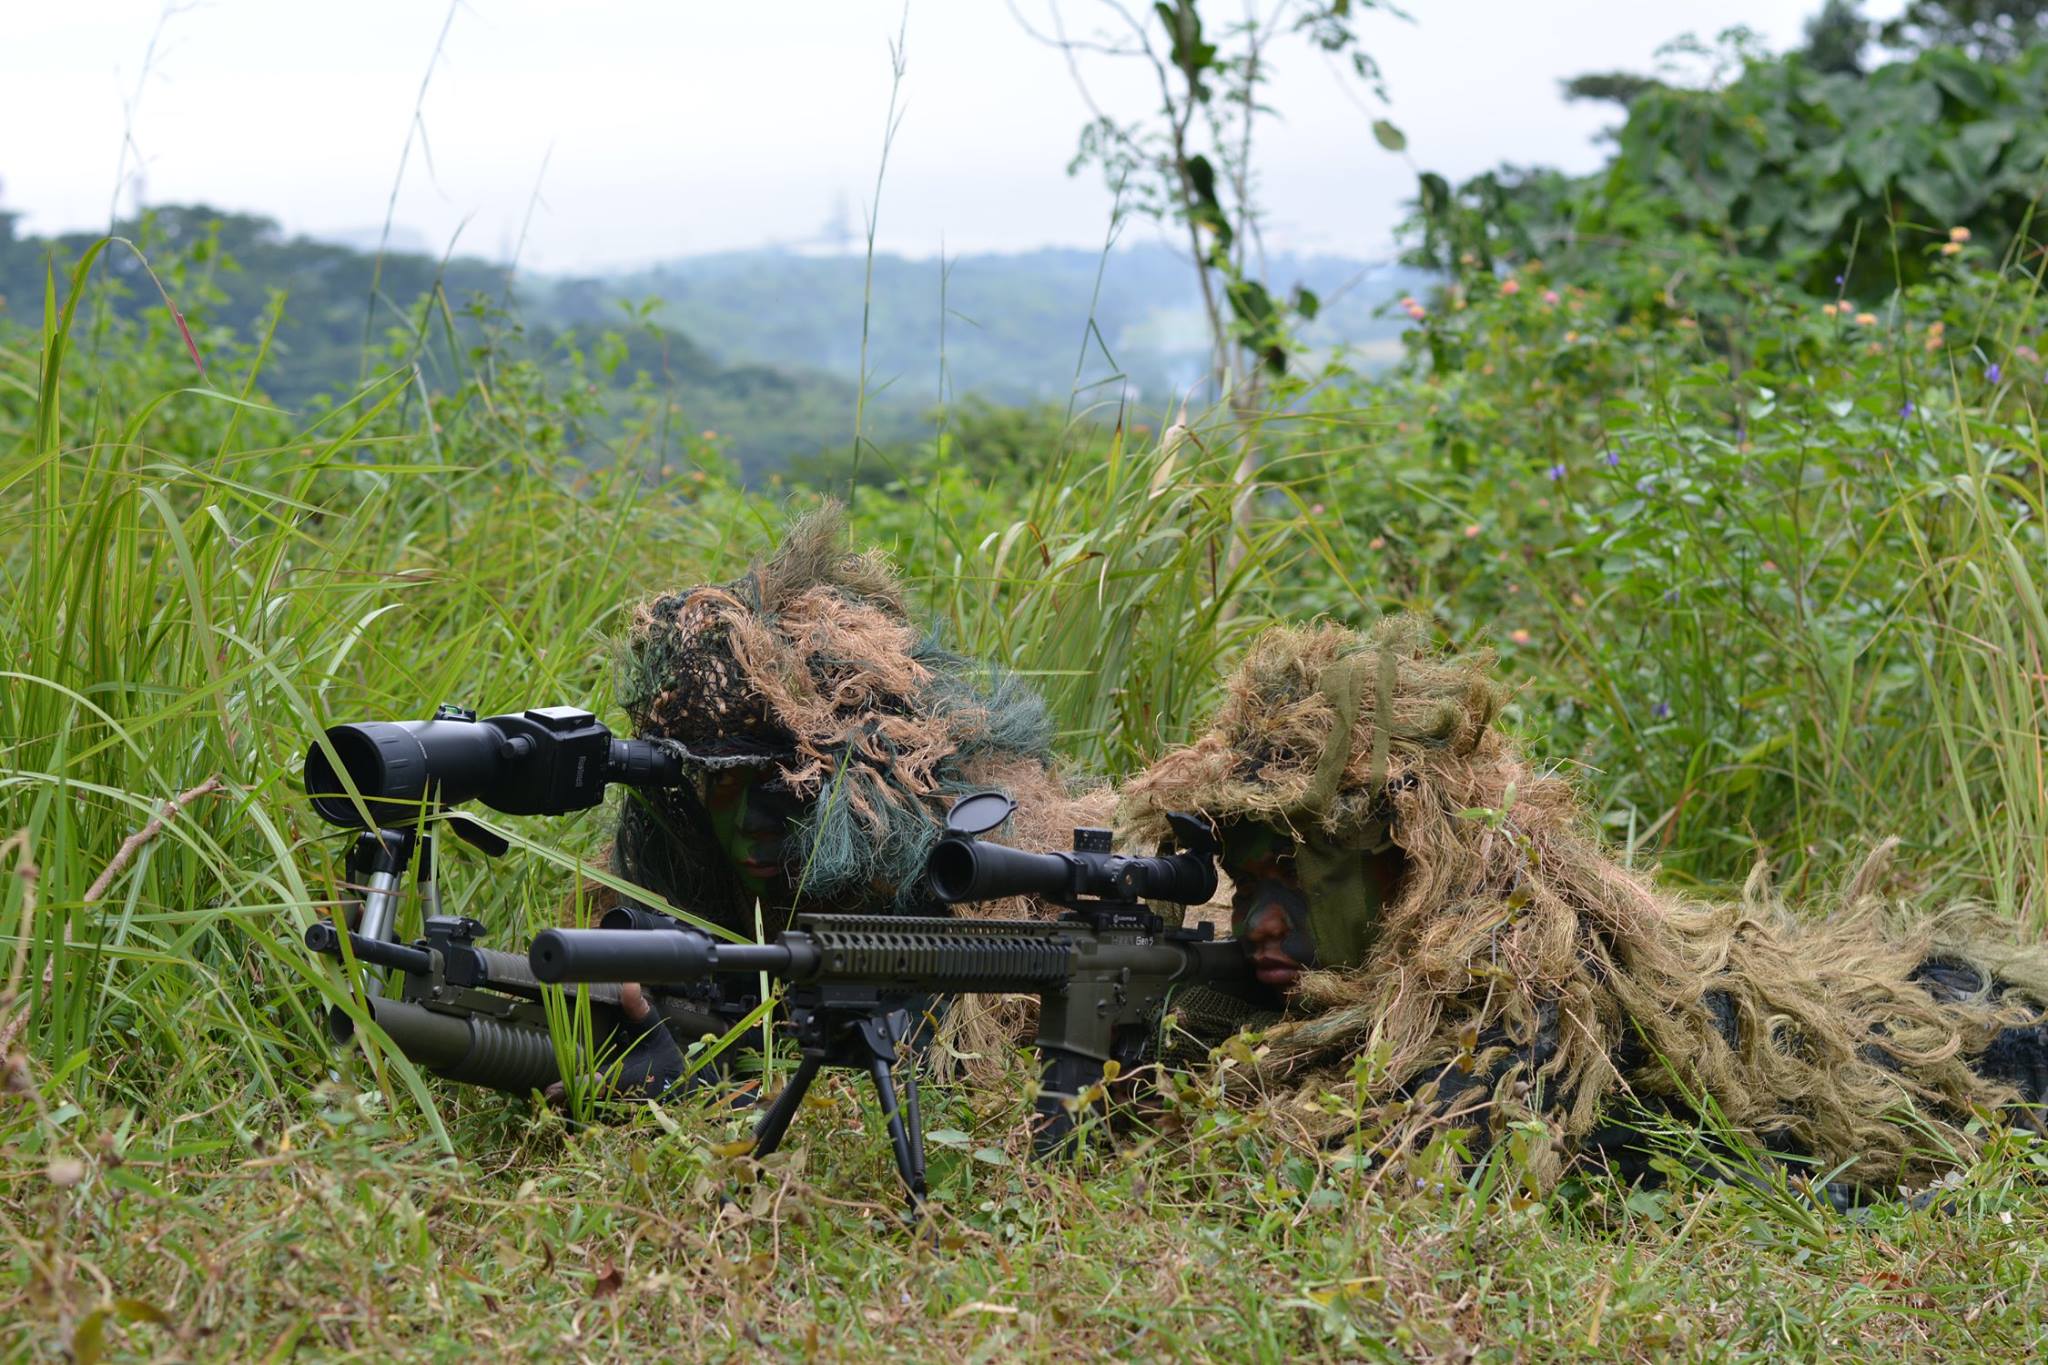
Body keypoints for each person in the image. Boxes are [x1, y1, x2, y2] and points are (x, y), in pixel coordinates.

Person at [1117, 616, 2048, 1198]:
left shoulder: (1516, 957)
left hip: (1910, 1050)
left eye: (1299, 876)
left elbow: (1414, 1167)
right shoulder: (1344, 966)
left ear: (1405, 857)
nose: (1260, 919)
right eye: (1249, 881)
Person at [561, 503, 1107, 1099]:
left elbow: (915, 1091)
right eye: (722, 786)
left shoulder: (949, 892)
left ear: (854, 790)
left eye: (784, 787)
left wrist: (709, 1093)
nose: (750, 822)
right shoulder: (676, 876)